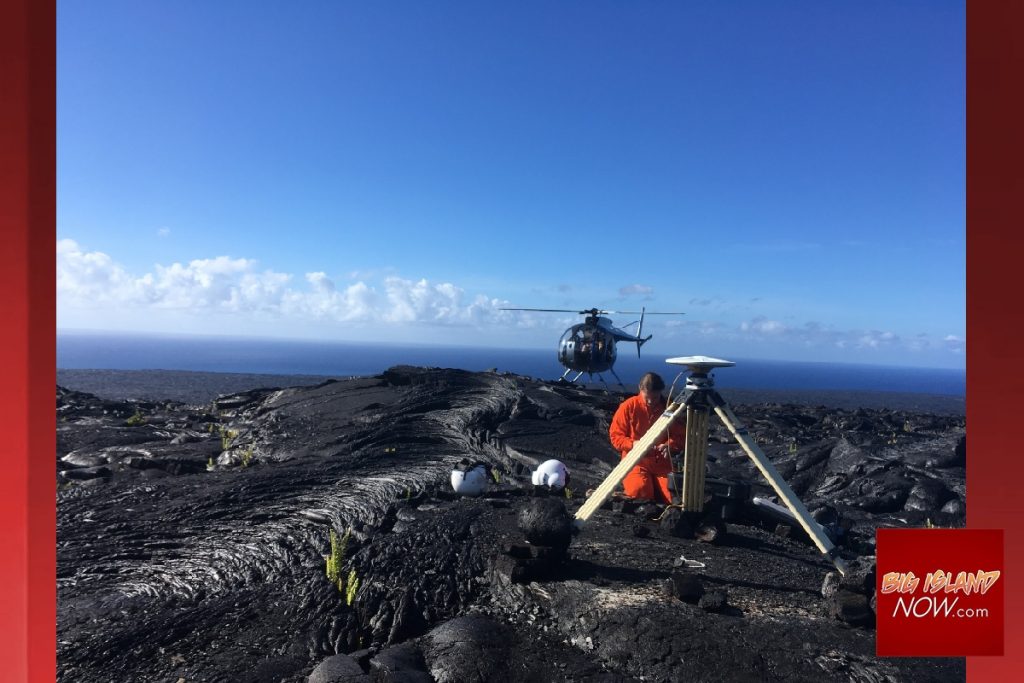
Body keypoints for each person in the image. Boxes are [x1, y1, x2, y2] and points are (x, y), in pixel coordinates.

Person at [608, 372, 686, 503]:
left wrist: (669, 445)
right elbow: (615, 436)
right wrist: (634, 445)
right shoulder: (628, 406)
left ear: (661, 392)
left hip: (662, 463)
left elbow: (682, 436)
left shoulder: (670, 408)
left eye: (655, 398)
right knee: (640, 492)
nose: (650, 402)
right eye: (647, 398)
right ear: (640, 389)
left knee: (675, 496)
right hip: (635, 462)